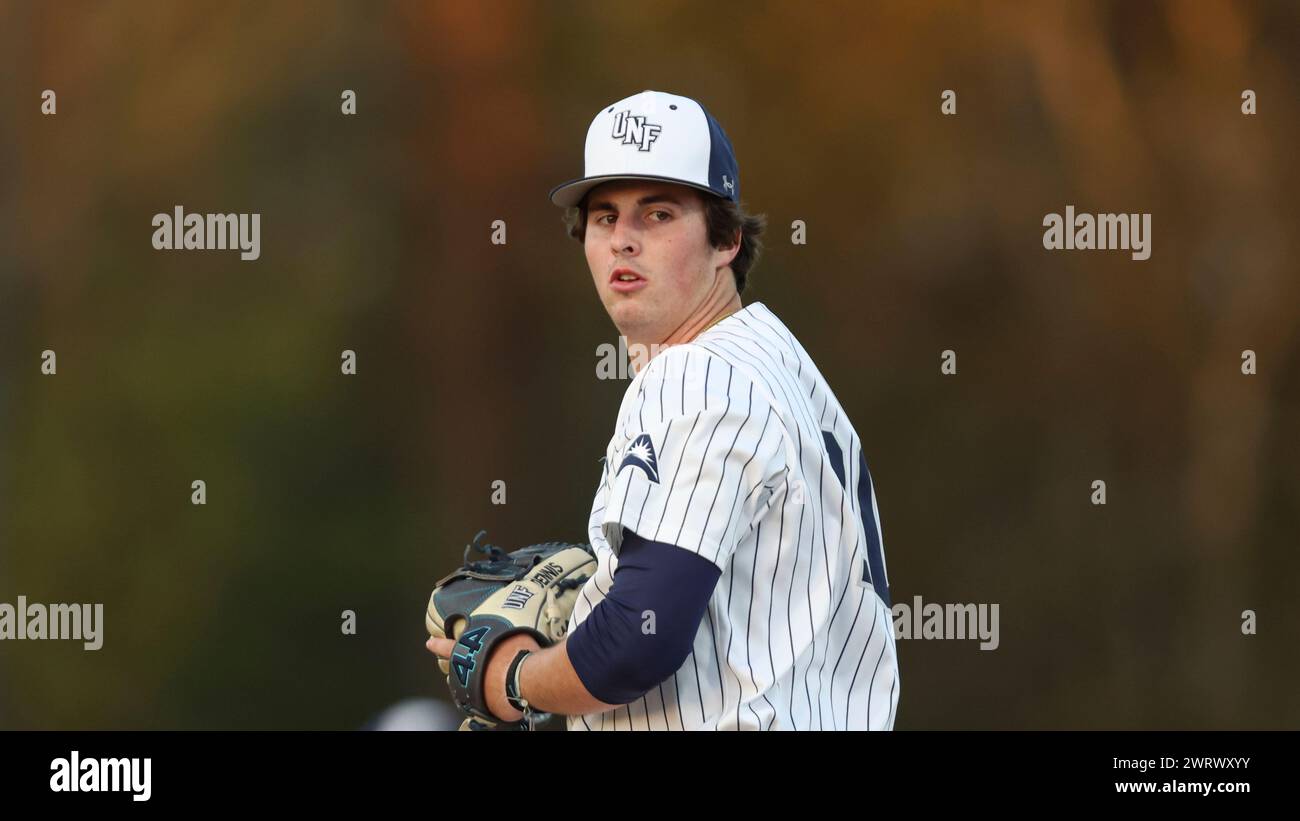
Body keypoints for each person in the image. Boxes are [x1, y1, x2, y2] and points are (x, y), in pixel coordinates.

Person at [428, 90, 898, 730]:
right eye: (603, 217)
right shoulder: (783, 365)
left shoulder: (694, 374)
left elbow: (635, 644)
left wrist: (510, 678)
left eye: (657, 214)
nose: (623, 240)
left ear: (727, 237)